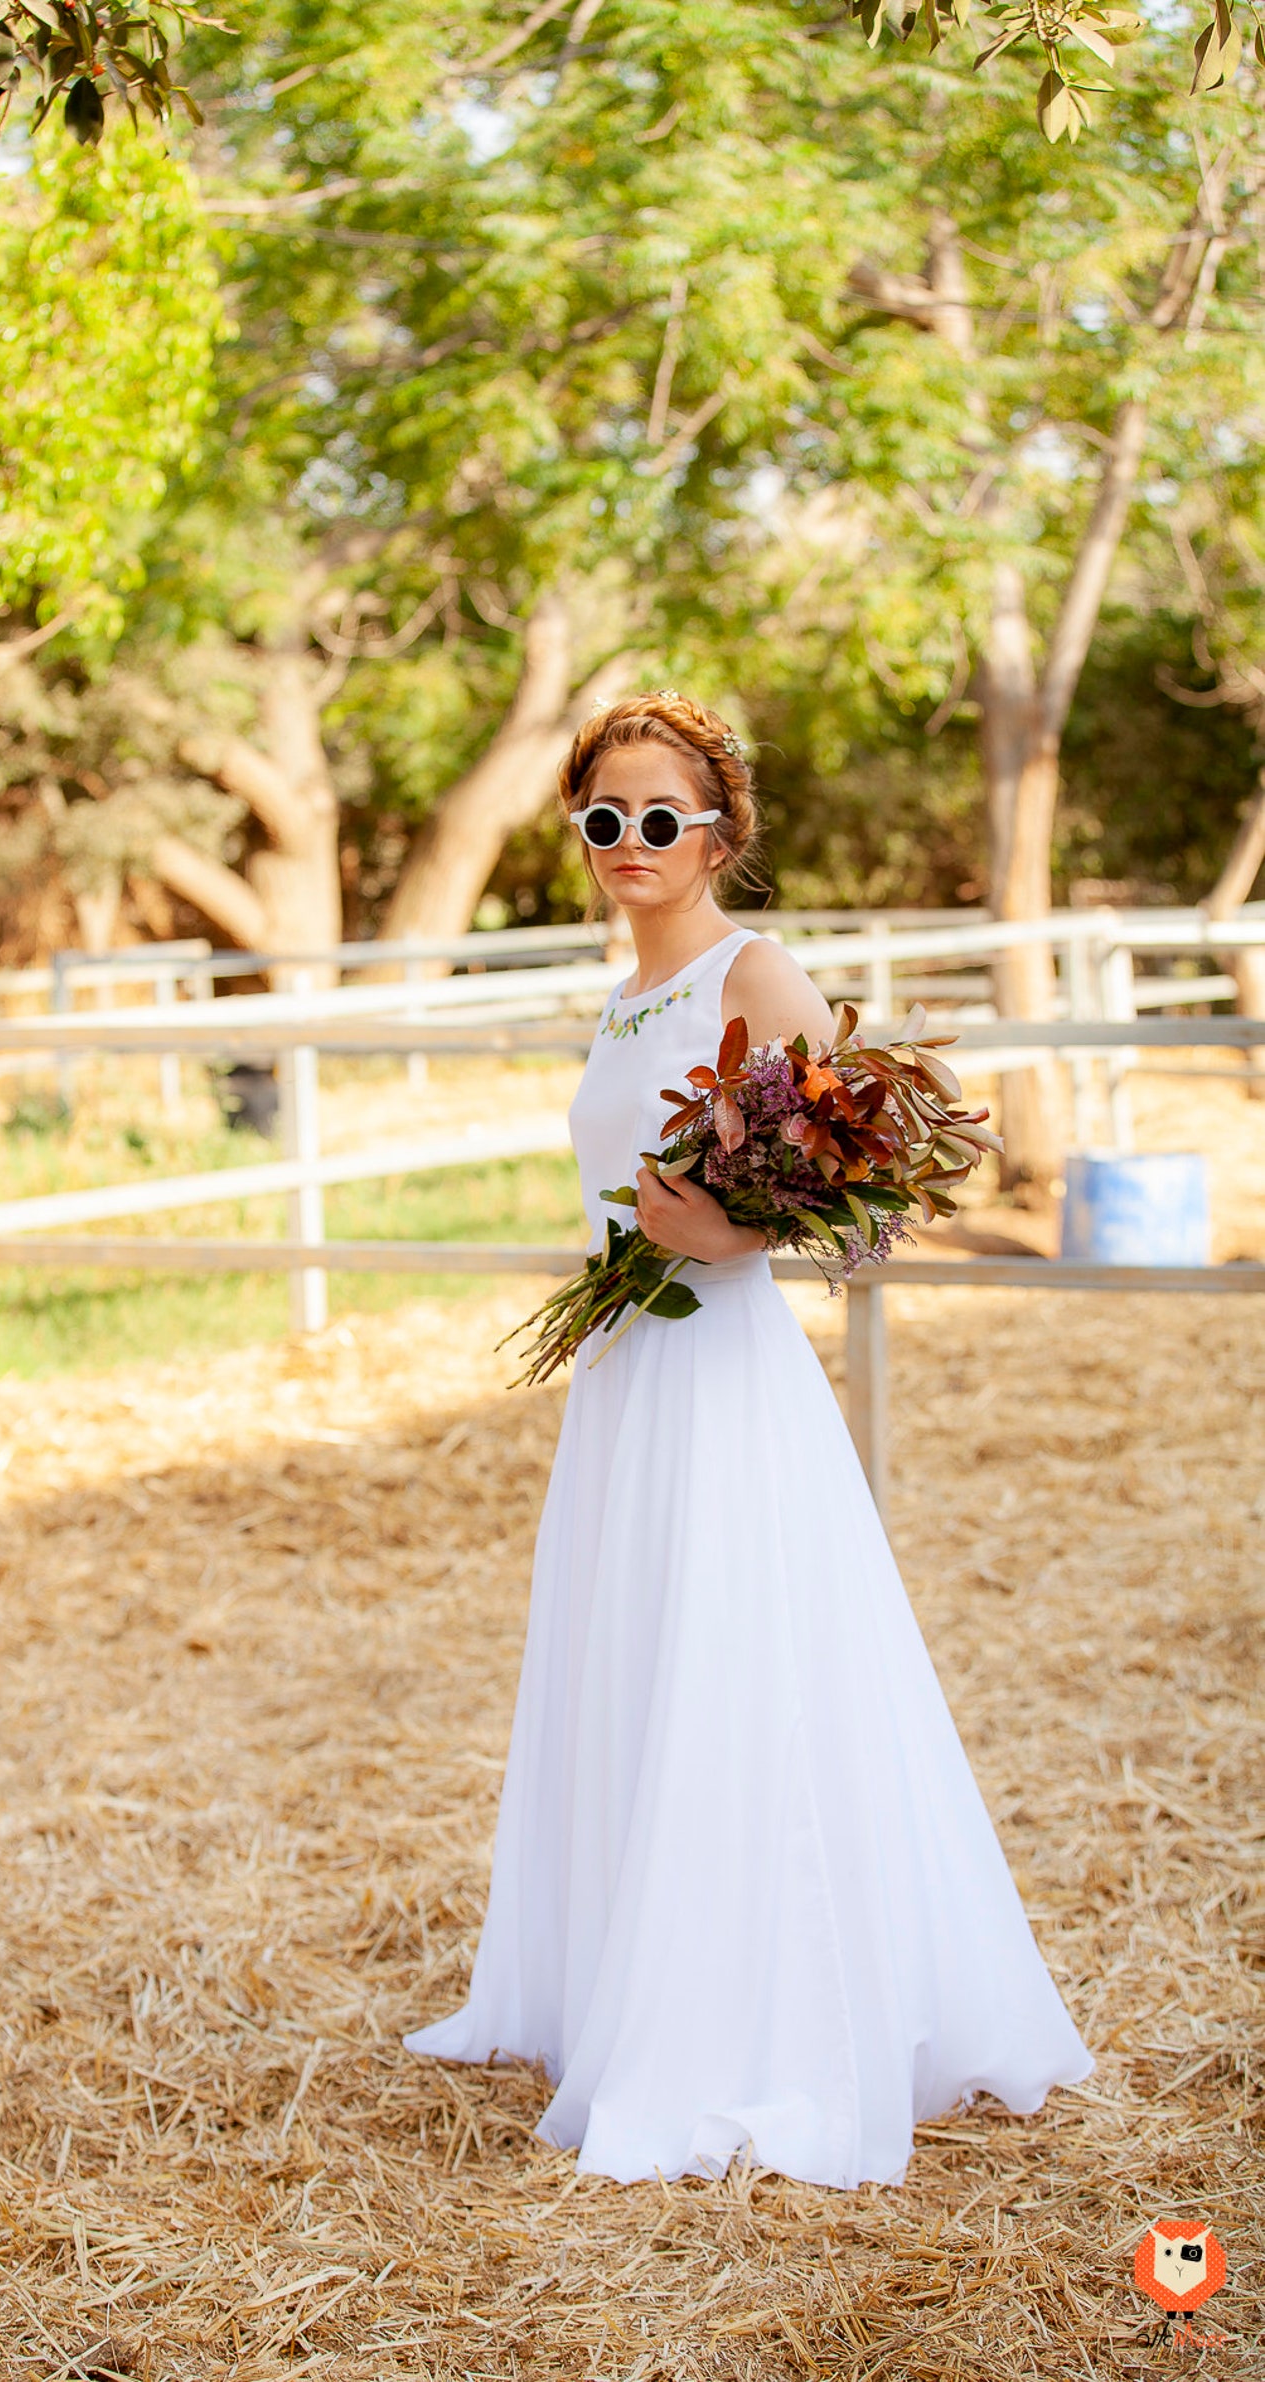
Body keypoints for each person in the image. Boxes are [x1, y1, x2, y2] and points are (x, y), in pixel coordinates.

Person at [403, 690, 1092, 2189]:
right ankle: (615, 1982)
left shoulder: (753, 973)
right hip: (626, 1373)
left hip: (722, 1375)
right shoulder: (623, 997)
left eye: (662, 817)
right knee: (633, 1658)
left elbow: (859, 1190)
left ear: (718, 834)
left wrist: (723, 1232)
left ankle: (742, 2021)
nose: (631, 841)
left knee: (735, 1663)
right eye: (605, 818)